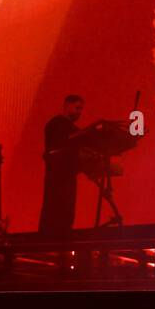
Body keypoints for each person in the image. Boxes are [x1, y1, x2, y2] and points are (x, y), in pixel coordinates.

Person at [39, 94, 86, 238]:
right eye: (77, 108)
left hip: (66, 177)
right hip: (57, 177)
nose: (80, 112)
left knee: (65, 212)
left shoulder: (70, 128)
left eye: (81, 109)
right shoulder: (56, 125)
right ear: (67, 105)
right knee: (56, 210)